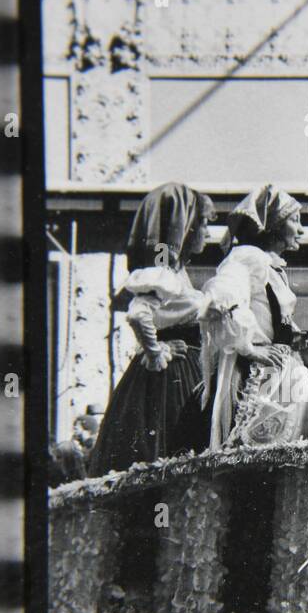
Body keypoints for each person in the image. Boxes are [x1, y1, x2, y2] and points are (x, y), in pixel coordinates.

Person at [88, 182, 215, 476]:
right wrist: (157, 351)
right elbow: (138, 313)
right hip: (171, 377)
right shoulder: (162, 271)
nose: (207, 233)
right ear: (185, 227)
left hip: (185, 370)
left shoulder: (176, 272)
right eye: (203, 224)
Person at [194, 184, 308, 450]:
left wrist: (296, 339)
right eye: (294, 220)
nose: (301, 230)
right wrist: (249, 347)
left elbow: (268, 315)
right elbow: (222, 296)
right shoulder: (249, 256)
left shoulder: (269, 265)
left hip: (281, 375)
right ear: (274, 225)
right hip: (261, 376)